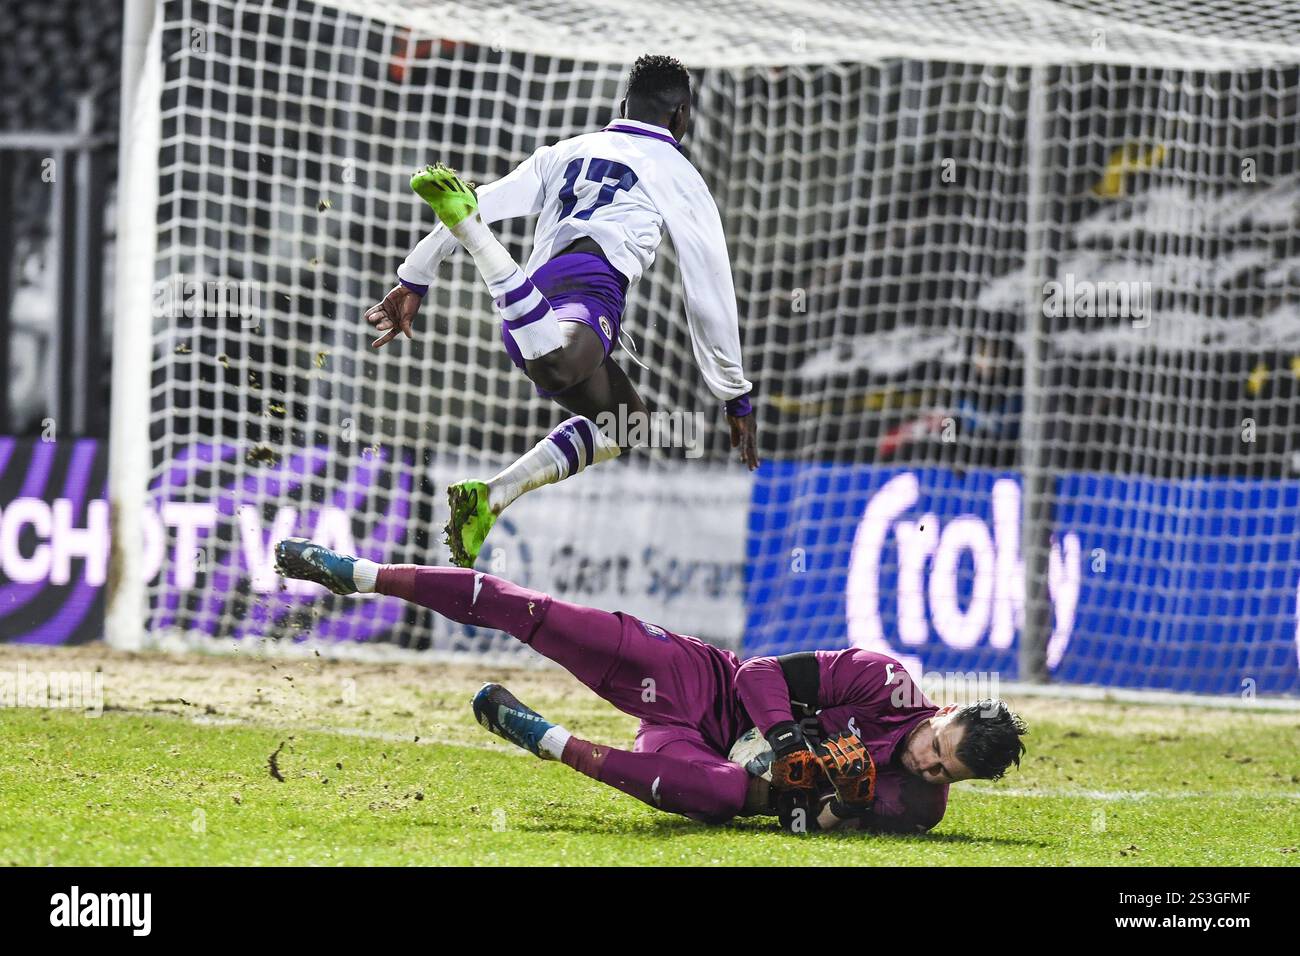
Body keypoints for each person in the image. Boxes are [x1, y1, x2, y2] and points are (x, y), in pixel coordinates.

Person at [275, 538, 1028, 833]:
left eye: (943, 769)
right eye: (937, 746)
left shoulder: (920, 808)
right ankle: (365, 575)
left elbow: (809, 826)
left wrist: (825, 810)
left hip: (714, 759)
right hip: (707, 683)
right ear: (944, 711)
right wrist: (786, 736)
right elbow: (763, 672)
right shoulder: (887, 682)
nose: (927, 763)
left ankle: (544, 738)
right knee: (546, 615)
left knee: (724, 798)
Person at [363, 54, 758, 568]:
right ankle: (481, 246)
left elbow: (481, 199)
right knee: (562, 364)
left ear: (623, 104)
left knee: (629, 426)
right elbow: (710, 290)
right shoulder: (681, 176)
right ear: (681, 116)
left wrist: (414, 275)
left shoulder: (566, 151)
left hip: (530, 305)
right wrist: (734, 393)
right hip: (586, 294)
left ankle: (490, 496)